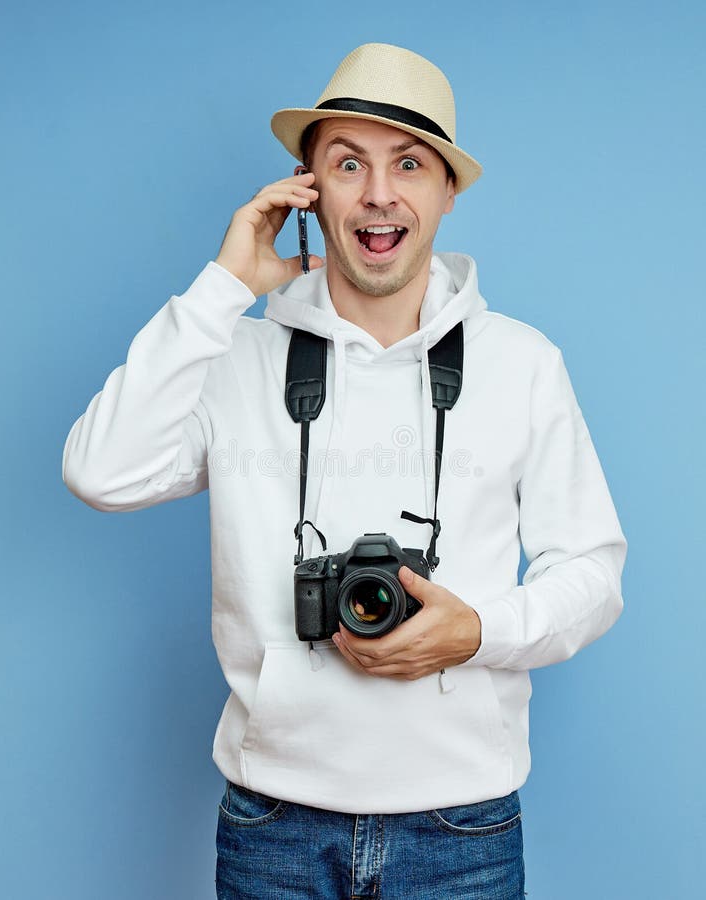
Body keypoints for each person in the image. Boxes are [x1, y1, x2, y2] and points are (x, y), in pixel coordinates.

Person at [62, 42, 627, 900]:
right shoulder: (234, 354)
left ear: (447, 191)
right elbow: (101, 472)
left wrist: (475, 630)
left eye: (409, 163)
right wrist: (222, 287)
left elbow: (594, 572)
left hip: (463, 825)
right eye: (347, 163)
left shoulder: (523, 363)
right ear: (306, 189)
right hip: (274, 824)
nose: (378, 192)